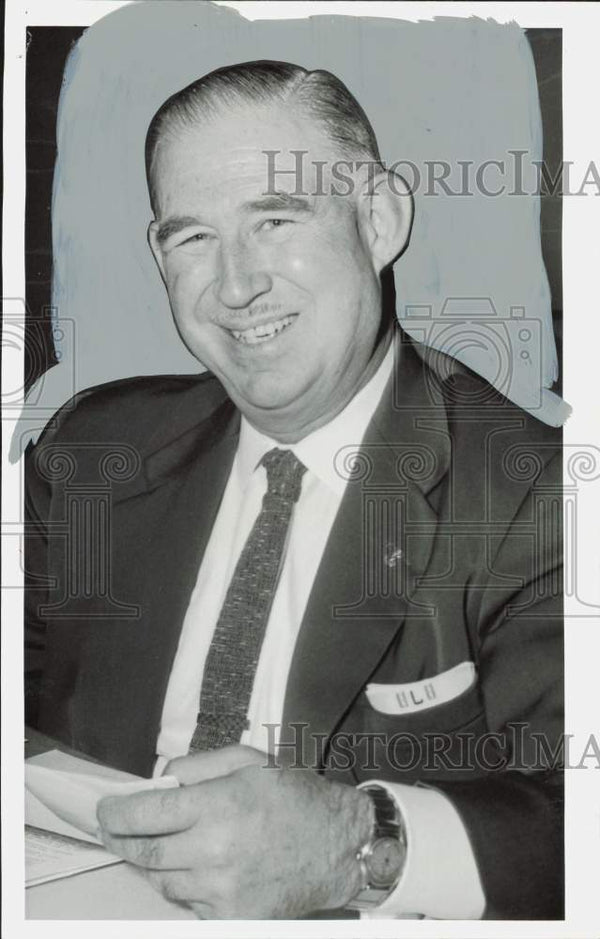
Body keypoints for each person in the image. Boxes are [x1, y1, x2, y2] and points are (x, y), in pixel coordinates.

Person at [25, 60, 563, 920]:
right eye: (192, 239)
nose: (236, 286)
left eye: (274, 220)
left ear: (379, 219)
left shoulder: (538, 495)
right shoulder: (90, 452)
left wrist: (357, 844)